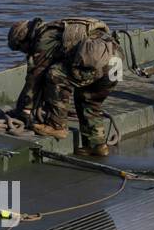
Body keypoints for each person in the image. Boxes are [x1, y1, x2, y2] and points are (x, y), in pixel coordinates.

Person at [8, 17, 121, 156]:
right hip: (115, 62)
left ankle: (57, 126)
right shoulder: (57, 28)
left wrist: (25, 109)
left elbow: (35, 76)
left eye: (21, 48)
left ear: (23, 39)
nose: (24, 53)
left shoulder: (44, 38)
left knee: (55, 74)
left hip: (98, 60)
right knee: (89, 100)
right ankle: (97, 145)